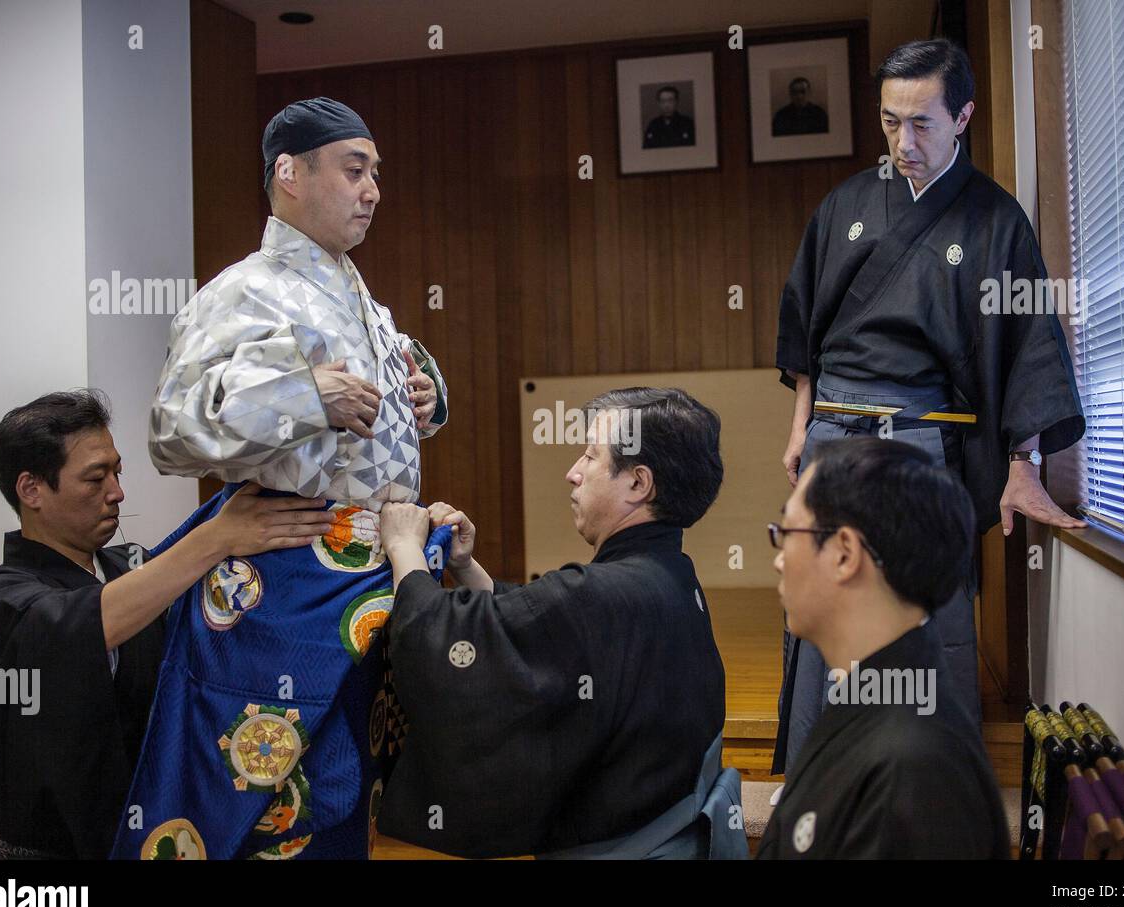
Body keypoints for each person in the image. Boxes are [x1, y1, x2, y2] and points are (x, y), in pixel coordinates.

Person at [112, 97, 451, 860]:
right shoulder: (243, 289)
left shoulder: (365, 298)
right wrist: (308, 392)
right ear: (289, 174)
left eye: (376, 174)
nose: (372, 190)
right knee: (266, 802)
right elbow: (172, 427)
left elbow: (378, 423)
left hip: (367, 573)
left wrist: (419, 396)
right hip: (281, 575)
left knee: (345, 788)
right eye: (354, 170)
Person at [773, 38, 1086, 776]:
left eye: (921, 124)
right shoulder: (847, 203)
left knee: (930, 615)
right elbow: (804, 328)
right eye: (890, 123)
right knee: (822, 608)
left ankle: (929, 784)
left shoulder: (994, 219)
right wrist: (800, 425)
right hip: (832, 437)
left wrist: (1024, 462)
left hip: (923, 445)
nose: (903, 143)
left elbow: (1028, 344)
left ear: (964, 116)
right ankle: (820, 782)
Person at [0, 390, 332, 859]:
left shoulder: (129, 568)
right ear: (32, 490)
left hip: (140, 829)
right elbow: (78, 629)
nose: (117, 492)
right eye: (95, 478)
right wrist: (215, 537)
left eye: (117, 472)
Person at [376, 388, 747, 859]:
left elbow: (445, 639)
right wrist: (466, 566)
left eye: (590, 457)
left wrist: (404, 545)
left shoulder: (603, 594)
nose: (573, 473)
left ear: (638, 484)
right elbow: (535, 633)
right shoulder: (670, 574)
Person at [759, 437, 1010, 859]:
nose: (779, 559)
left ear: (844, 553)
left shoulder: (916, 771)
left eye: (787, 532)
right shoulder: (871, 690)